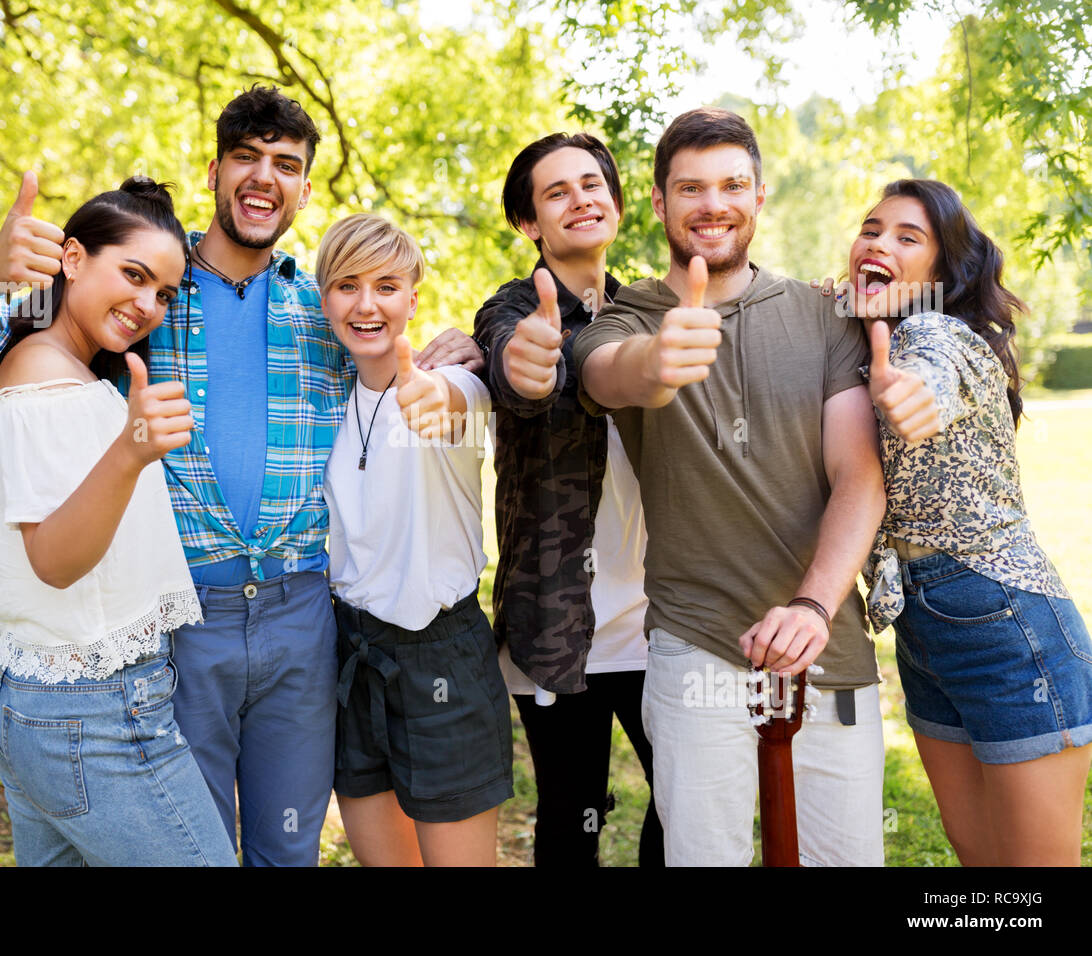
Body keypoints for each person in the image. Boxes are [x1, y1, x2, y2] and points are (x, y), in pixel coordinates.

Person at [0, 85, 481, 866]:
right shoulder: (139, 284)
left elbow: (397, 358)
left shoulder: (320, 309)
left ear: (305, 189)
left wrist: (462, 348)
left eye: (286, 164)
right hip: (184, 618)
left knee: (286, 849)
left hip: (299, 614)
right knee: (192, 838)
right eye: (245, 157)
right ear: (214, 171)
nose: (264, 177)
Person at [574, 107, 888, 866]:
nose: (713, 204)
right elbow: (611, 374)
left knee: (847, 858)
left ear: (760, 194)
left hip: (828, 644)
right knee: (702, 856)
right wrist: (660, 357)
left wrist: (813, 604)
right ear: (658, 202)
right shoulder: (626, 317)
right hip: (694, 646)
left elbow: (859, 476)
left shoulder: (824, 317)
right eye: (691, 188)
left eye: (731, 185)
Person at [0, 176, 235, 866]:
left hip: (47, 697)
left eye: (164, 293)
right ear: (70, 258)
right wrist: (131, 451)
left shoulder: (68, 372)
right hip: (90, 711)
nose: (148, 304)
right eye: (133, 274)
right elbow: (55, 561)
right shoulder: (43, 380)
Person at [840, 178, 1092, 866]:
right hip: (924, 629)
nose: (879, 243)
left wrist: (906, 395)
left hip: (1006, 620)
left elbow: (930, 378)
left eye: (907, 237)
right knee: (978, 859)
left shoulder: (940, 336)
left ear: (942, 273)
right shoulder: (869, 332)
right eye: (871, 229)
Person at [472, 132, 662, 866]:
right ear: (530, 224)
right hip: (557, 621)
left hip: (660, 619)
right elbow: (513, 366)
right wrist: (526, 365)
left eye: (592, 184)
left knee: (688, 803)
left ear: (614, 202)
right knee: (572, 820)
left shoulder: (647, 308)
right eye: (557, 192)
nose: (581, 198)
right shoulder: (515, 307)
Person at [315, 213, 511, 866]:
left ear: (413, 299)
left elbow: (450, 405)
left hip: (442, 659)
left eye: (387, 286)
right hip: (351, 654)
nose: (366, 304)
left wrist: (430, 394)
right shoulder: (325, 405)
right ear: (325, 299)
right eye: (346, 285)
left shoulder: (456, 383)